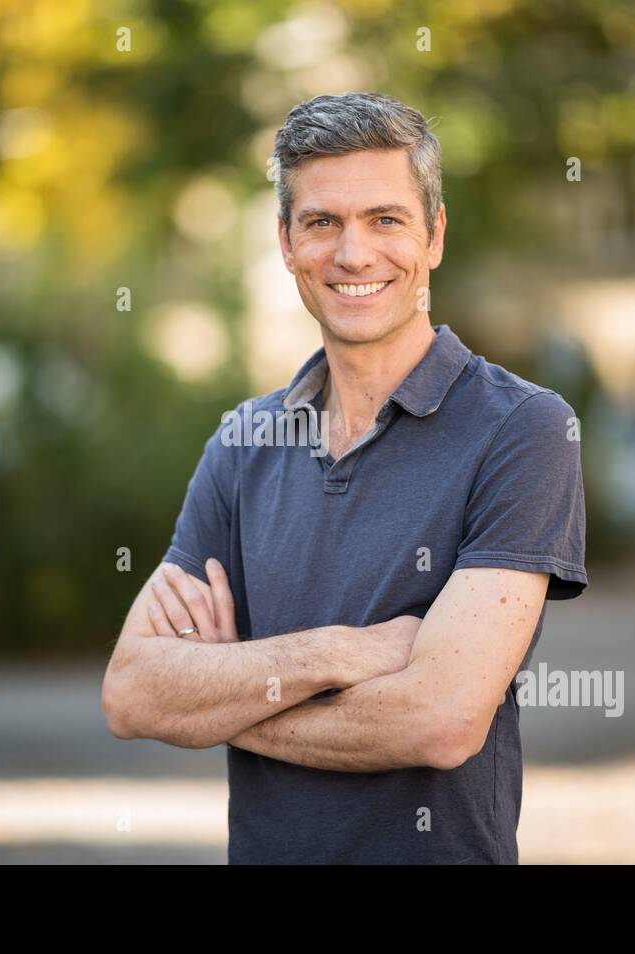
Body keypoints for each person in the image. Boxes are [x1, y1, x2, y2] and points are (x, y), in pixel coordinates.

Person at [102, 92, 587, 863]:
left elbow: (441, 721)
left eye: (385, 219)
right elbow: (132, 692)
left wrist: (226, 695)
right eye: (322, 222)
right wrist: (337, 654)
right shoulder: (245, 439)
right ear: (287, 242)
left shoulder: (522, 429)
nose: (353, 255)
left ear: (434, 235)